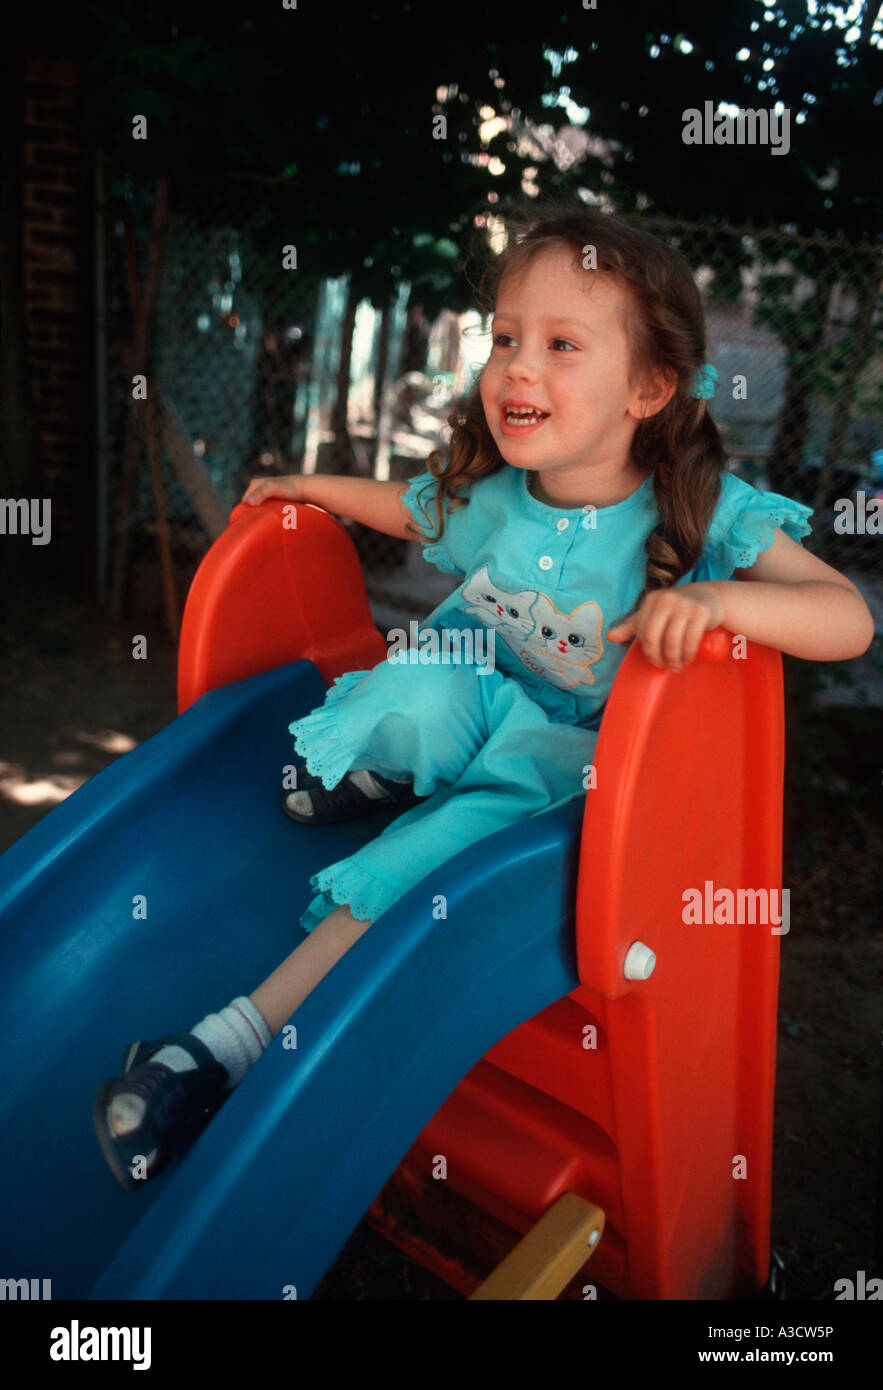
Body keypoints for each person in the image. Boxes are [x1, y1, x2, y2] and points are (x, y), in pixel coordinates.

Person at [93, 202, 875, 1191]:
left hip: (559, 757)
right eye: (504, 337)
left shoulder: (701, 512)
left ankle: (218, 1050)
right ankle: (375, 768)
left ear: (649, 386)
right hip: (469, 688)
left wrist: (722, 599)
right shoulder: (504, 492)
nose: (515, 364)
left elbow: (846, 614)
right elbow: (411, 510)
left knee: (431, 848)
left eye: (559, 343)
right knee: (418, 674)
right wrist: (309, 488)